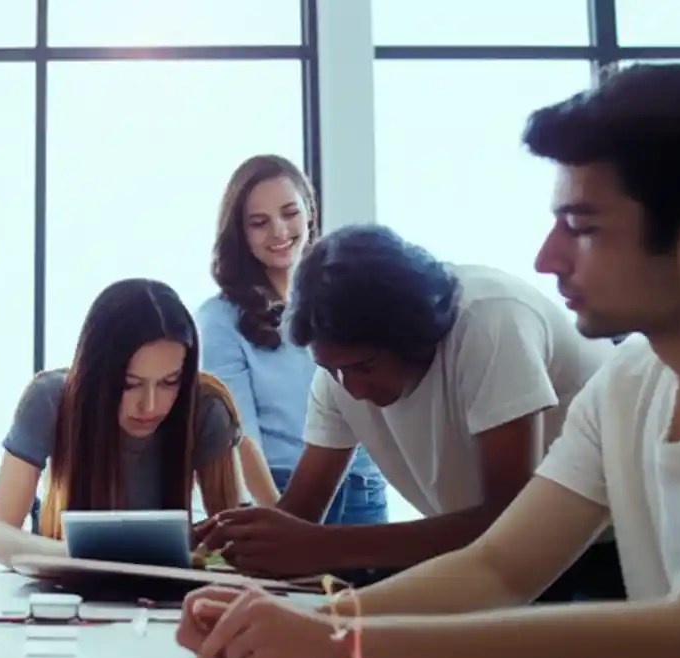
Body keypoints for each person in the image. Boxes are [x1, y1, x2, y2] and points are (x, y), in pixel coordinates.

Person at [175, 62, 680, 658]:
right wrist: (315, 621)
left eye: (583, 226)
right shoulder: (623, 387)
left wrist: (345, 638)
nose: (546, 257)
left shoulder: (497, 323)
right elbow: (497, 568)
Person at [195, 224, 620, 597]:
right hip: (494, 560)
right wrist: (226, 547)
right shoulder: (339, 372)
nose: (352, 389)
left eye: (364, 367)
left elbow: (511, 521)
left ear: (413, 336)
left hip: (602, 552)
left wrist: (325, 546)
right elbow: (300, 514)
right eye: (331, 369)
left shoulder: (490, 322)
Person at [0, 278, 274, 566]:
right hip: (69, 589)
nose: (150, 405)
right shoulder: (50, 399)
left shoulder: (205, 408)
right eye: (129, 384)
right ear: (96, 374)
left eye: (169, 382)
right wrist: (91, 560)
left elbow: (235, 546)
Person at [196, 154, 388, 525]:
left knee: (374, 585)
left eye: (290, 213)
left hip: (361, 483)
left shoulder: (344, 296)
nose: (279, 232)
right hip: (281, 485)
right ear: (241, 232)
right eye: (259, 222)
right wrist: (280, 520)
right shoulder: (219, 319)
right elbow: (242, 437)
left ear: (310, 213)